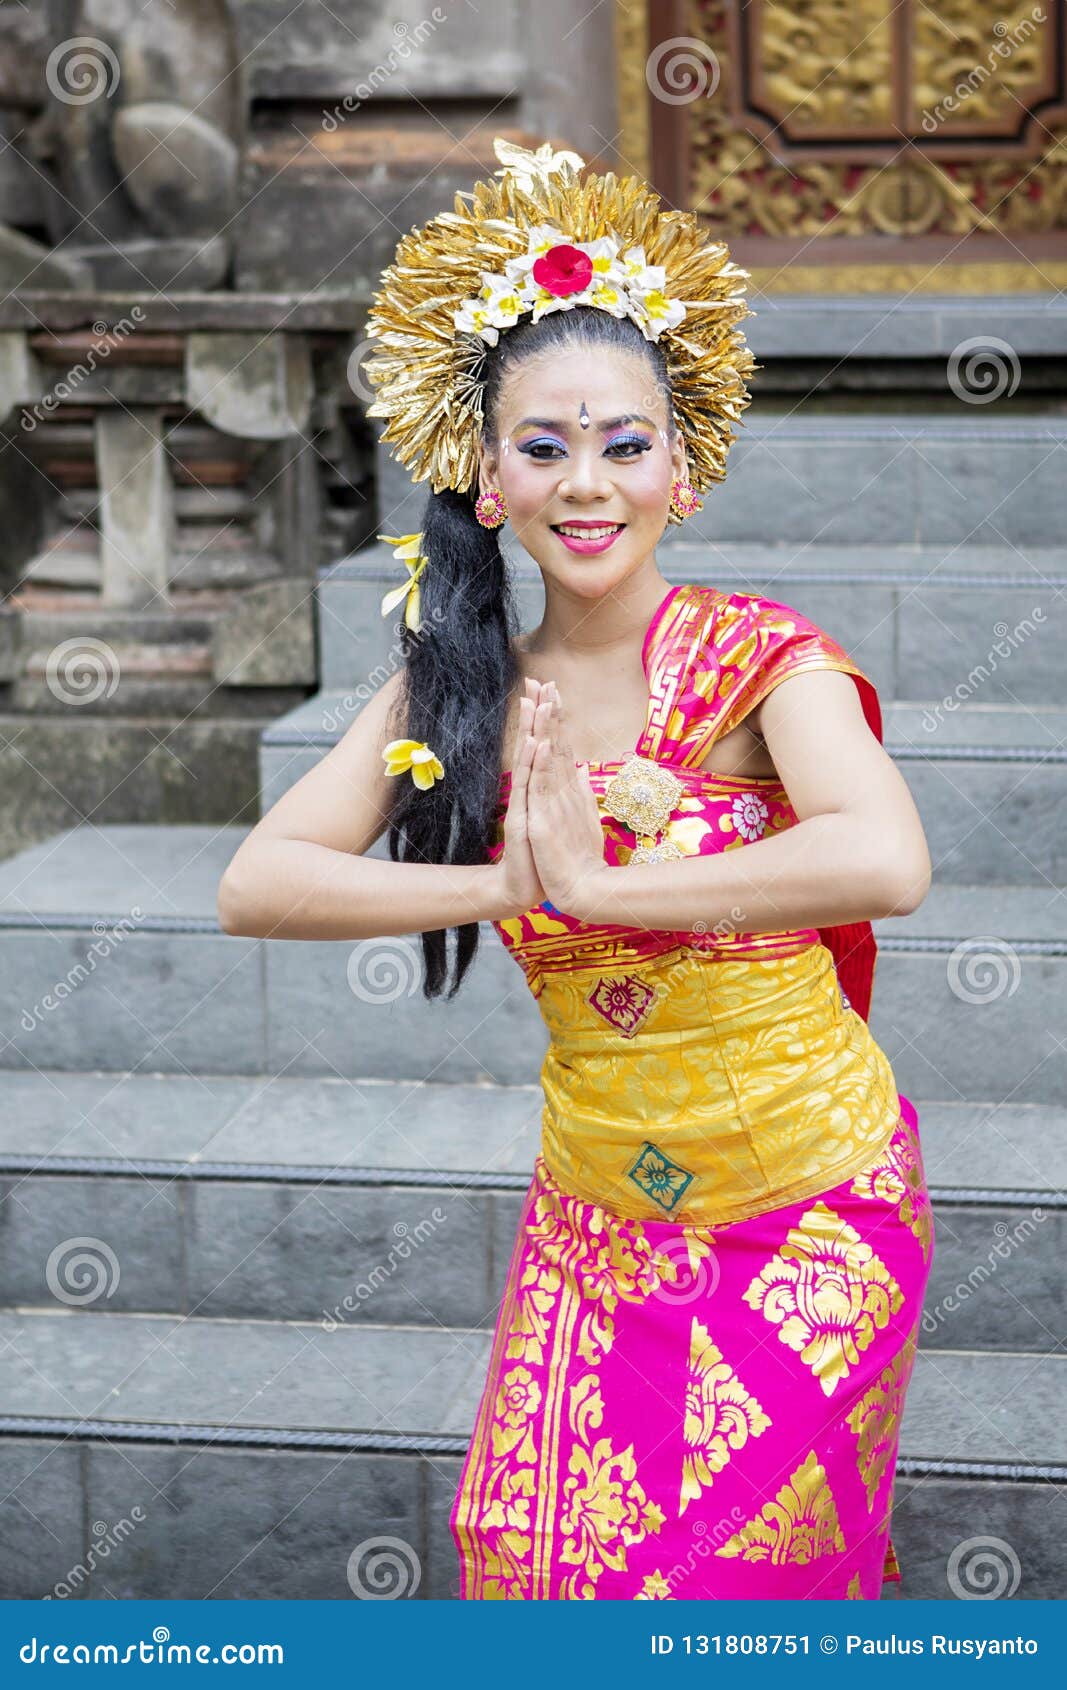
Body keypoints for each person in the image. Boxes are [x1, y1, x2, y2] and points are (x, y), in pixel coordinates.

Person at [217, 137, 935, 1600]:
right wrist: (503, 888)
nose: (587, 480)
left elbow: (886, 858)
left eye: (623, 442)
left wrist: (602, 891)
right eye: (544, 446)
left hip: (807, 1202)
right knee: (532, 1568)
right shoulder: (458, 686)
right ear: (489, 481)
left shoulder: (759, 658)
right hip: (597, 1216)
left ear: (684, 465)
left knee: (720, 1580)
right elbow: (259, 881)